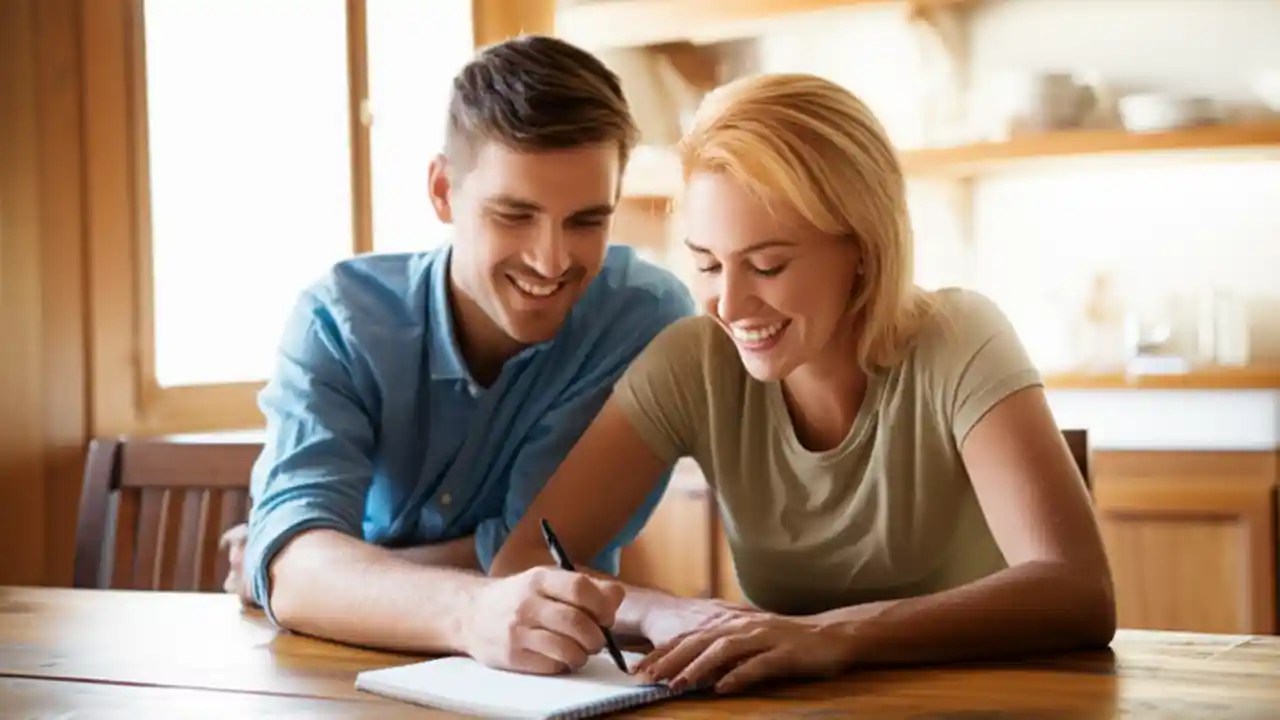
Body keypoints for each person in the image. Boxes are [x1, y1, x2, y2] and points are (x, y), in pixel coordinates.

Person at [490, 73, 1117, 693]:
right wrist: (657, 612)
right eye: (707, 263)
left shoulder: (959, 338)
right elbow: (523, 563)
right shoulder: (692, 362)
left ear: (863, 250)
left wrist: (836, 636)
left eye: (768, 265)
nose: (728, 303)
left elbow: (1077, 590)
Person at [227, 35, 694, 675]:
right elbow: (300, 571)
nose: (551, 260)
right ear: (444, 191)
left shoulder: (640, 318)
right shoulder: (339, 318)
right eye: (514, 214)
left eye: (586, 221)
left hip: (543, 674)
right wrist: (303, 571)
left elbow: (530, 559)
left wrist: (319, 570)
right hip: (327, 666)